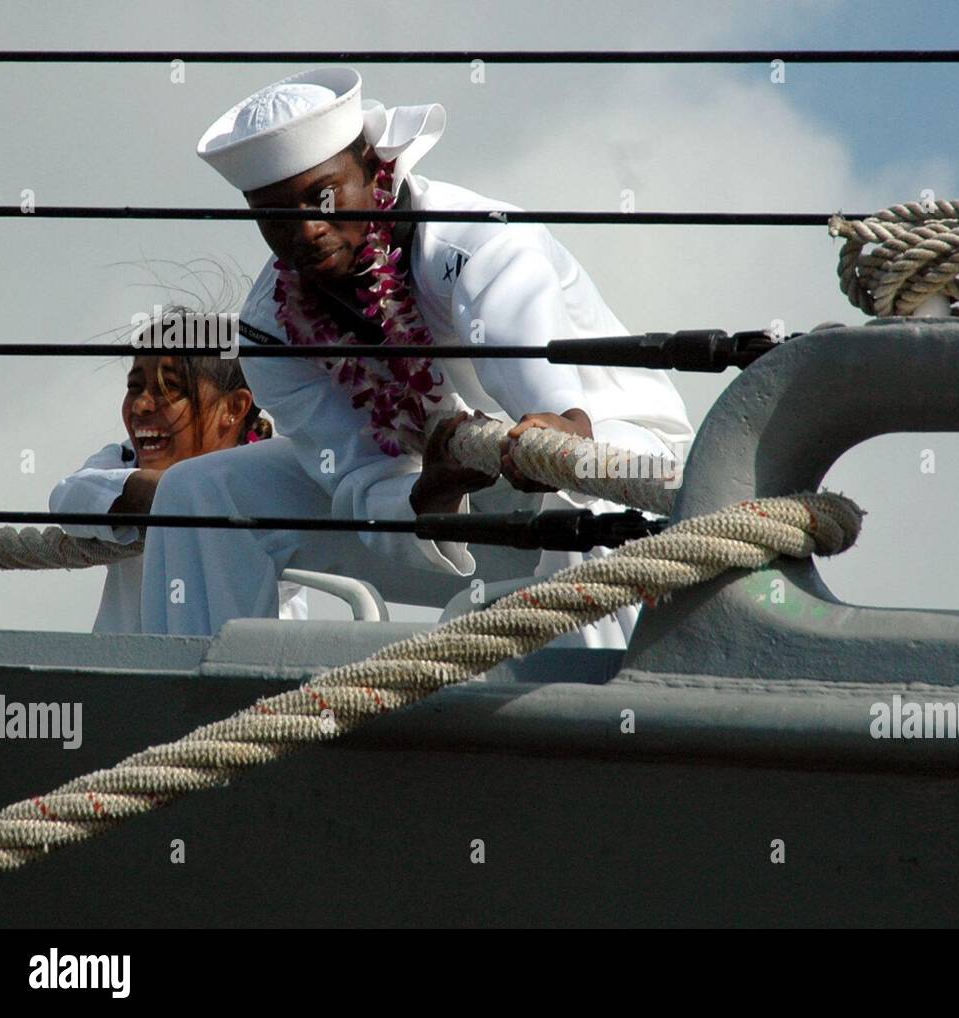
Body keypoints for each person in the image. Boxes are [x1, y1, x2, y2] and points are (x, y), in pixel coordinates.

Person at [137, 66, 693, 643]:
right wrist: (431, 493)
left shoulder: (479, 239)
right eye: (276, 218)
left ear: (372, 169)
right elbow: (355, 475)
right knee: (197, 492)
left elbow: (540, 382)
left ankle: (599, 715)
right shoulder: (269, 327)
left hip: (609, 465)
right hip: (431, 516)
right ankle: (204, 708)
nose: (306, 230)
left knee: (595, 485)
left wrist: (558, 428)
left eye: (323, 197)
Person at [51, 316, 307, 633]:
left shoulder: (269, 477)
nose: (142, 405)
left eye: (169, 388)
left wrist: (192, 498)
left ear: (234, 407)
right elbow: (68, 497)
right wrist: (167, 494)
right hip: (126, 676)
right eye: (135, 387)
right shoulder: (124, 460)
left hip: (247, 669)